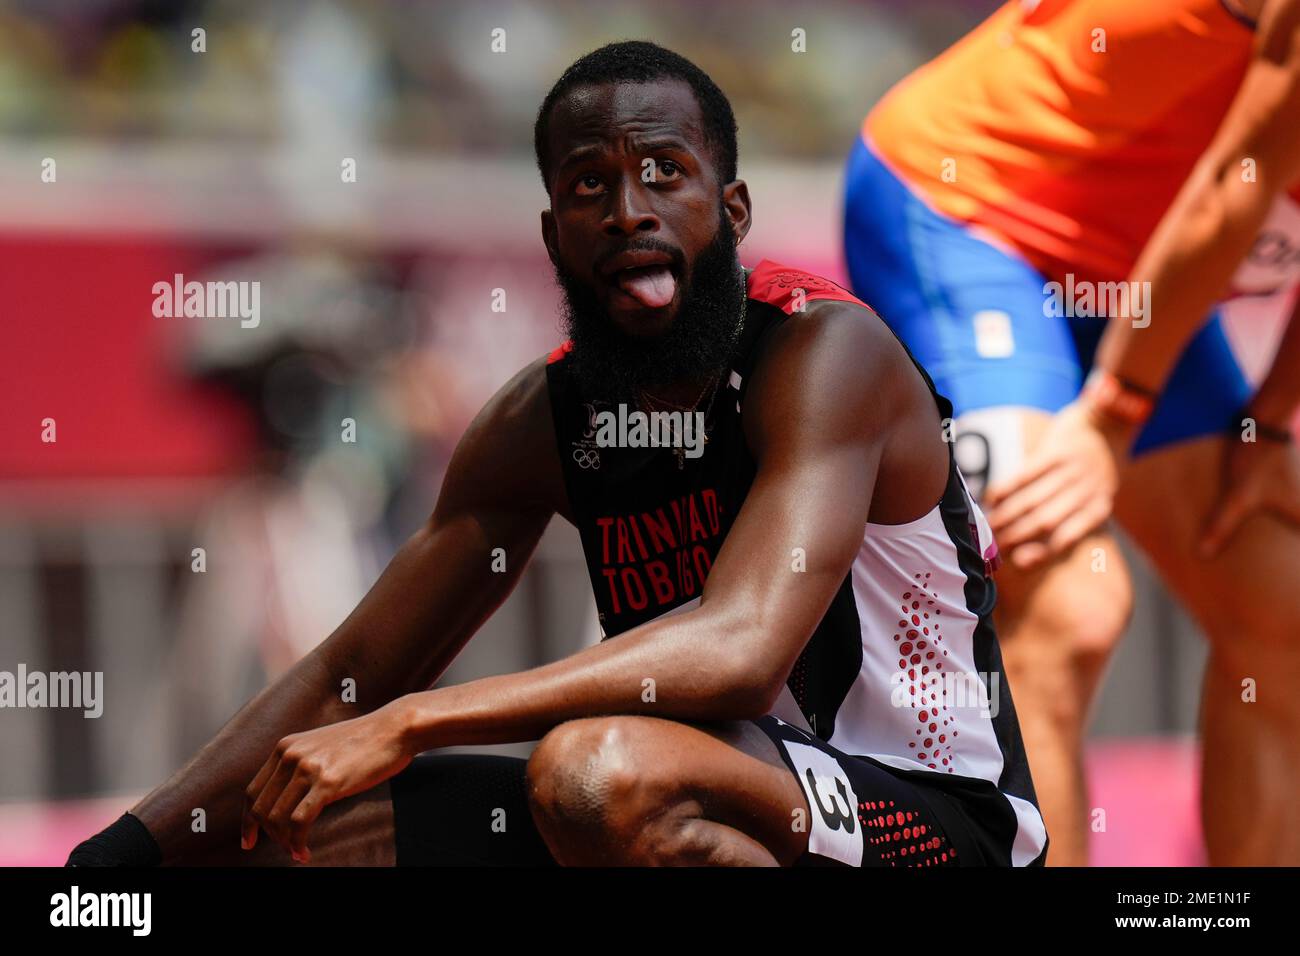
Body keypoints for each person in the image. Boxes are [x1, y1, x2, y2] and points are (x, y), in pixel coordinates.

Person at [68, 40, 1046, 869]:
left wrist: (413, 721)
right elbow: (348, 673)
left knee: (593, 772)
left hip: (937, 824)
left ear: (733, 210)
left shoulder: (824, 354)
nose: (628, 209)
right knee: (297, 826)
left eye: (664, 170)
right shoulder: (540, 419)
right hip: (701, 785)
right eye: (590, 184)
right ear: (553, 233)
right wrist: (120, 856)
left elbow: (742, 648)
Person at [843, 0, 1300, 864]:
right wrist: (1116, 410)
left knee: (1283, 607)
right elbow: (1237, 187)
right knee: (1069, 605)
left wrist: (1270, 428)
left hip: (1136, 264)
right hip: (968, 212)